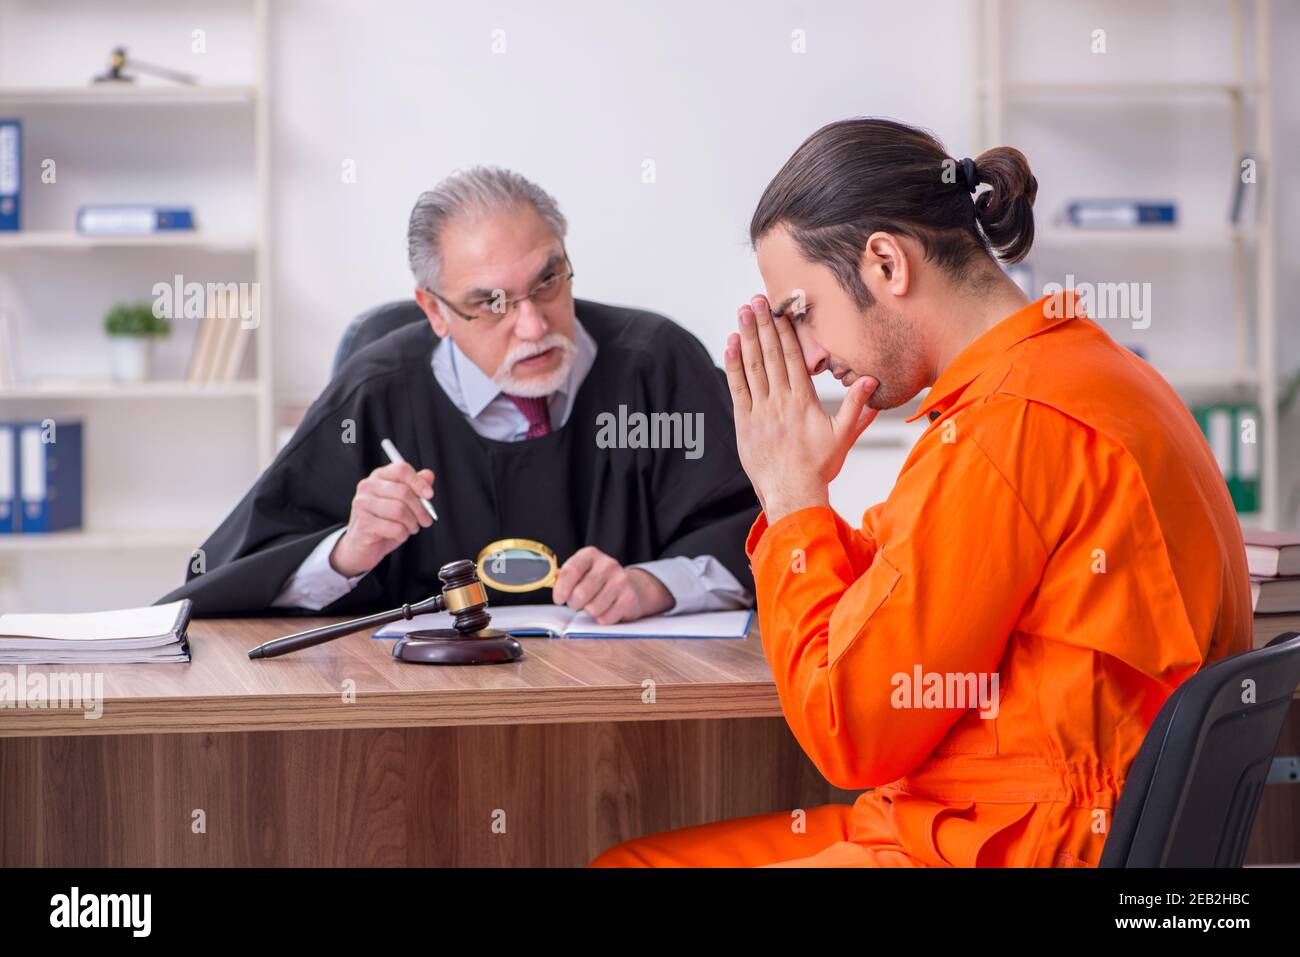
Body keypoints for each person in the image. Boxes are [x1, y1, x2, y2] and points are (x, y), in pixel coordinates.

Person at [591, 118, 1251, 867]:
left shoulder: (1006, 429)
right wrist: (807, 498)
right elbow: (902, 592)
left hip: (1008, 844)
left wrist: (791, 501)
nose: (805, 359)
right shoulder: (1089, 372)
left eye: (803, 312)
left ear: (884, 263)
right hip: (990, 820)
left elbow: (851, 733)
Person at [161, 167, 758, 621]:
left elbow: (765, 537)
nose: (533, 326)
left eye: (547, 281)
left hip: (630, 714)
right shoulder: (375, 394)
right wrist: (349, 549)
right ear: (434, 311)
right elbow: (233, 575)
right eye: (488, 302)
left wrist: (653, 586)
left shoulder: (655, 366)